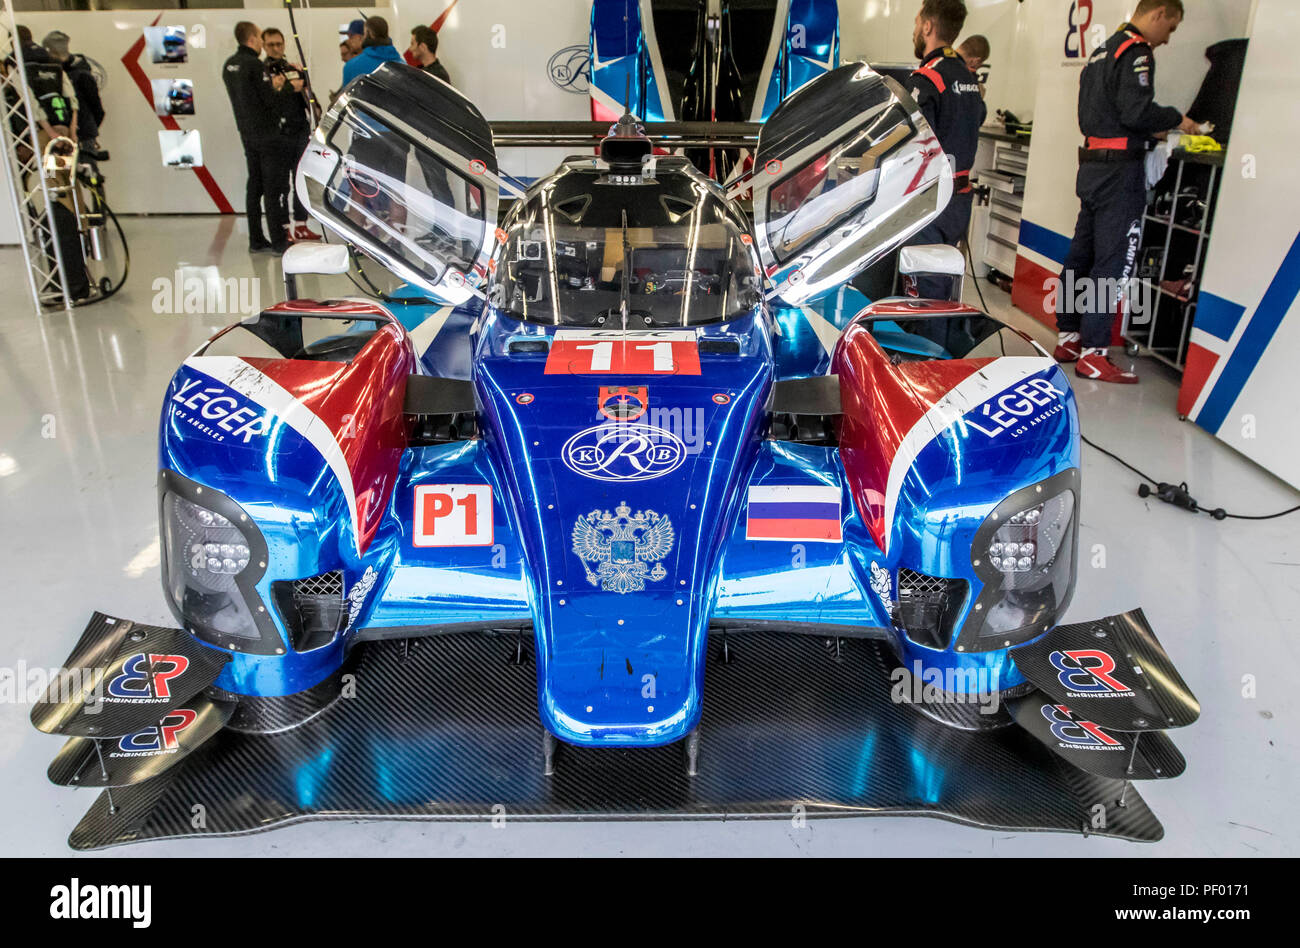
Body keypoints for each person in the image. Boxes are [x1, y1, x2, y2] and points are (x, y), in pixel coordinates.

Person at [1054, 0, 1197, 383]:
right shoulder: (1136, 52)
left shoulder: (1101, 50)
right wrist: (1178, 120)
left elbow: (1096, 112)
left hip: (1092, 165)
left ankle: (1068, 336)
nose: (1167, 39)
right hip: (1120, 173)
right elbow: (1136, 112)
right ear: (1160, 12)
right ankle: (1095, 352)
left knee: (1080, 254)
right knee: (1113, 263)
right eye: (1171, 28)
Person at [901, 0, 985, 302]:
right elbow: (979, 118)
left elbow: (913, 146)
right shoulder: (968, 77)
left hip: (931, 200)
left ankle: (930, 350)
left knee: (925, 294)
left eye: (916, 23)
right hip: (960, 202)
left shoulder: (926, 78)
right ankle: (945, 345)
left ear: (927, 27)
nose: (914, 31)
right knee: (949, 288)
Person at [222, 21, 299, 254]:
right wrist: (285, 87)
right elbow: (270, 101)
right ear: (253, 39)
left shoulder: (229, 65)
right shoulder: (254, 65)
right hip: (267, 135)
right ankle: (279, 242)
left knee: (254, 187)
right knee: (273, 187)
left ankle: (256, 239)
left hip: (247, 134)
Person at [262, 27, 320, 242]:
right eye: (271, 45)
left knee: (300, 180)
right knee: (281, 185)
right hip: (279, 134)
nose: (276, 48)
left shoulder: (293, 67)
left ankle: (302, 225)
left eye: (279, 44)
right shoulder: (264, 71)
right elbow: (269, 98)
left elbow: (306, 91)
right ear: (264, 46)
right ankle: (285, 229)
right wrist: (287, 87)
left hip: (300, 130)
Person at [41, 31, 104, 158]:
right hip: (60, 136)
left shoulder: (81, 75)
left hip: (81, 137)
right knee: (53, 171)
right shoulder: (53, 74)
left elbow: (97, 108)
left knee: (84, 170)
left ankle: (89, 175)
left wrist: (86, 131)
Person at [342, 16, 403, 87]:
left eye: (364, 34)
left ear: (369, 34)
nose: (349, 41)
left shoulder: (351, 67)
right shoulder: (403, 65)